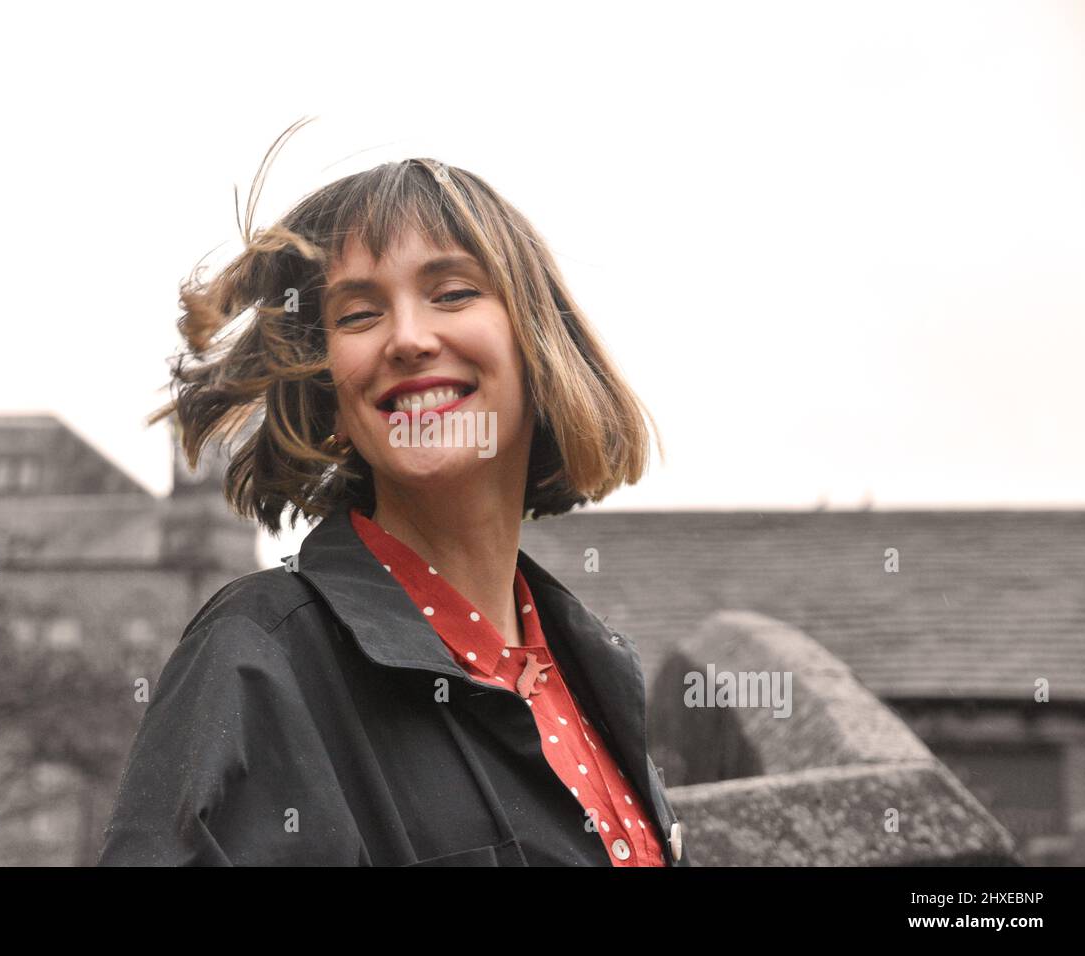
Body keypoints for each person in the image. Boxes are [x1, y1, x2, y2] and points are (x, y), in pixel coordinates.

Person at [97, 120, 692, 867]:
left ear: (537, 347)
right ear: (330, 393)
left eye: (451, 293)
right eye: (359, 313)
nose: (407, 337)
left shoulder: (592, 671)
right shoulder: (257, 661)